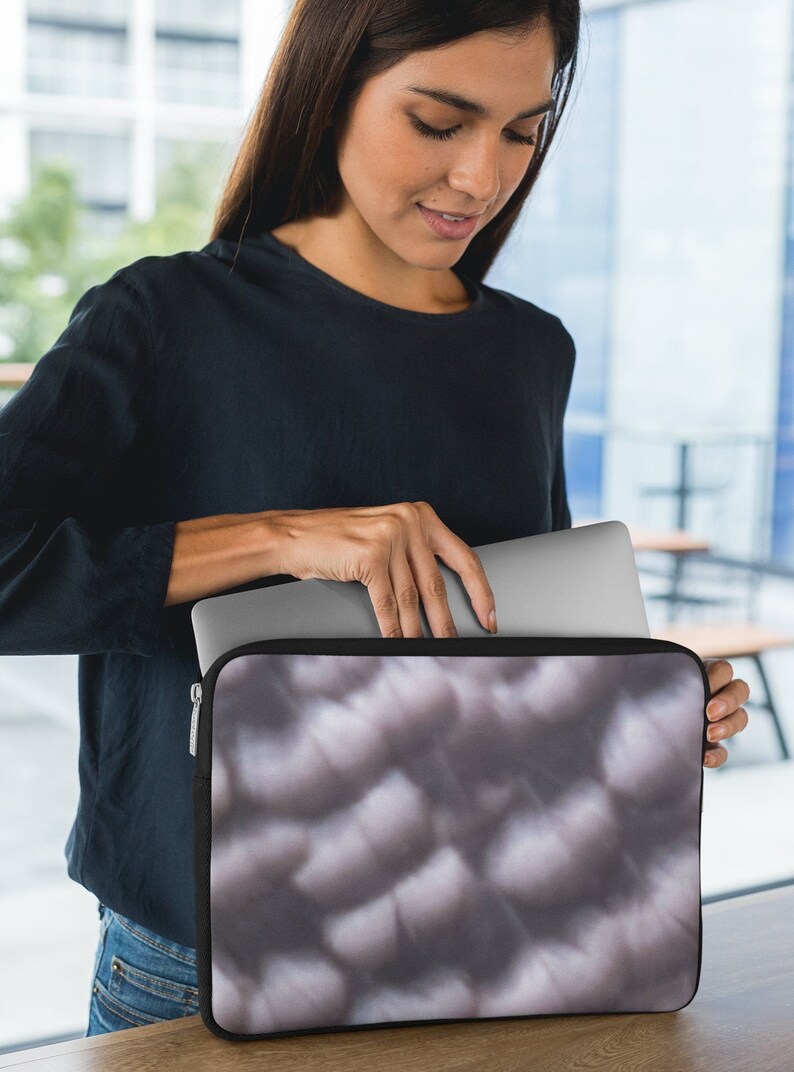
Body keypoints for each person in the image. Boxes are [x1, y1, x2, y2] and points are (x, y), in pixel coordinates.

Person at [0, 0, 750, 1036]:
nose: (482, 177)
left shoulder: (532, 352)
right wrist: (280, 537)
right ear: (329, 89)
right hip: (200, 960)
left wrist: (641, 702)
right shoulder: (164, 319)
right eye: (438, 123)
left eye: (521, 132)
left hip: (489, 929)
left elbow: (516, 647)